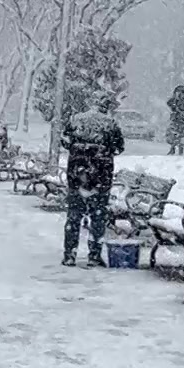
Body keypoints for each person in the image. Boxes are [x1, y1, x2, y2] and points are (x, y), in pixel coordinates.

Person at [60, 95, 126, 267]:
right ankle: (94, 255)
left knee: (74, 217)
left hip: (77, 177)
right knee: (98, 218)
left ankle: (70, 254)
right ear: (105, 107)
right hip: (100, 178)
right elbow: (119, 147)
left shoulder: (75, 120)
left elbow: (65, 142)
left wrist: (80, 153)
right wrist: (103, 153)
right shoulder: (110, 123)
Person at [166, 85, 184, 155]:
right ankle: (173, 148)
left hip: (182, 120)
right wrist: (175, 103)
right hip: (174, 119)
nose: (178, 93)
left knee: (180, 135)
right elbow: (169, 103)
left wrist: (180, 108)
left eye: (180, 92)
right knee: (172, 135)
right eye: (177, 92)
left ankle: (179, 150)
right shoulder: (174, 99)